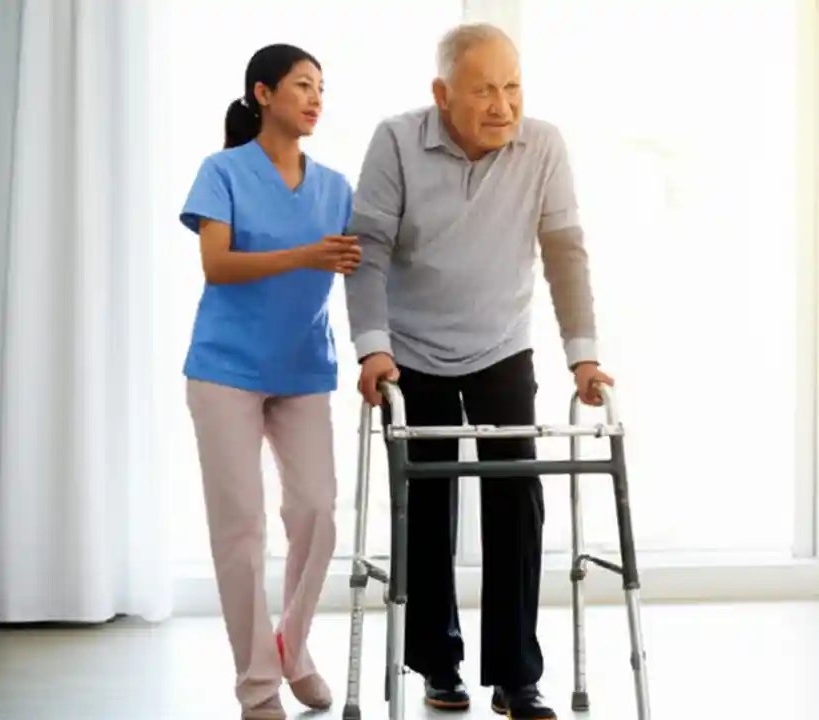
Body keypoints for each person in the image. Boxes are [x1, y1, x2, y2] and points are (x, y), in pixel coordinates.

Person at [344, 21, 612, 720]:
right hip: (412, 350)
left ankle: (516, 676)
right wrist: (373, 347)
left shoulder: (543, 145)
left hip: (501, 344)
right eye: (485, 90)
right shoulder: (396, 141)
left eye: (513, 87)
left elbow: (565, 252)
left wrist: (582, 355)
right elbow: (366, 252)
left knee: (516, 501)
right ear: (442, 94)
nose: (503, 105)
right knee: (428, 507)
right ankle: (439, 664)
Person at [179, 43, 361, 720]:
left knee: (316, 511)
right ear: (263, 93)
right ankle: (257, 682)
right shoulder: (222, 171)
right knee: (242, 529)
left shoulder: (337, 187)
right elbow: (218, 265)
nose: (315, 98)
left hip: (303, 368)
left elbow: (370, 269)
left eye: (321, 88)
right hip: (225, 369)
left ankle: (292, 644)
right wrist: (308, 255)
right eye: (301, 85)